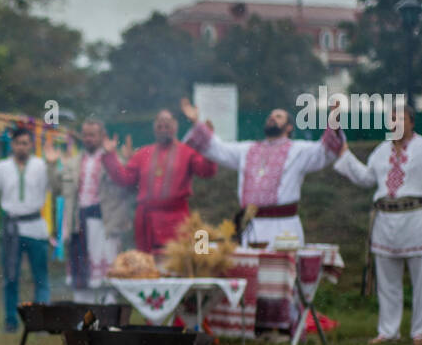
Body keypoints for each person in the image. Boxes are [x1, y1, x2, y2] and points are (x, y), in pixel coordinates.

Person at [333, 105, 422, 345]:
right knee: (387, 282)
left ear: (412, 122)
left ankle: (421, 332)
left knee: (421, 282)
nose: (395, 122)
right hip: (385, 219)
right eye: (392, 119)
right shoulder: (380, 150)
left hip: (415, 216)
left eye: (400, 118)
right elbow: (367, 178)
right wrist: (345, 155)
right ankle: (388, 331)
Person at [181, 99, 345, 249]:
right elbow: (219, 149)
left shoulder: (298, 150)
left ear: (289, 127)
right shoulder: (247, 150)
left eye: (279, 116)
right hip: (252, 227)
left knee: (281, 279)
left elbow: (324, 151)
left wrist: (334, 122)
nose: (272, 118)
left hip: (284, 229)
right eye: (271, 116)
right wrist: (196, 121)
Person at [46, 118, 130, 303]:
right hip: (79, 223)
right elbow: (57, 188)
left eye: (92, 135)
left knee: (105, 279)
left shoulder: (114, 160)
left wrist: (115, 156)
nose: (88, 138)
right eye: (85, 135)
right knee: (82, 279)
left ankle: (106, 323)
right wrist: (52, 165)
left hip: (104, 224)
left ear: (102, 136)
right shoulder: (73, 162)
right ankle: (84, 323)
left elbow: (126, 185)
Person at [109, 108, 217, 253]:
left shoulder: (187, 152)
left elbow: (207, 171)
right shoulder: (143, 153)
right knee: (147, 267)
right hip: (146, 221)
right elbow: (125, 178)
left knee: (175, 263)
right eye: (160, 126)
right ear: (154, 129)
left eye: (167, 126)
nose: (163, 129)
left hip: (176, 220)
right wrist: (109, 156)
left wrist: (207, 139)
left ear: (175, 127)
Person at [0, 124, 51, 331]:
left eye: (26, 143)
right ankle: (10, 321)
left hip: (36, 226)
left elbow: (56, 188)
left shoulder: (41, 165)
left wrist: (55, 165)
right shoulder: (2, 167)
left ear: (31, 145)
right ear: (12, 145)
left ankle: (40, 321)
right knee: (11, 277)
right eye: (18, 143)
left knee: (41, 276)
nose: (22, 147)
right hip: (12, 228)